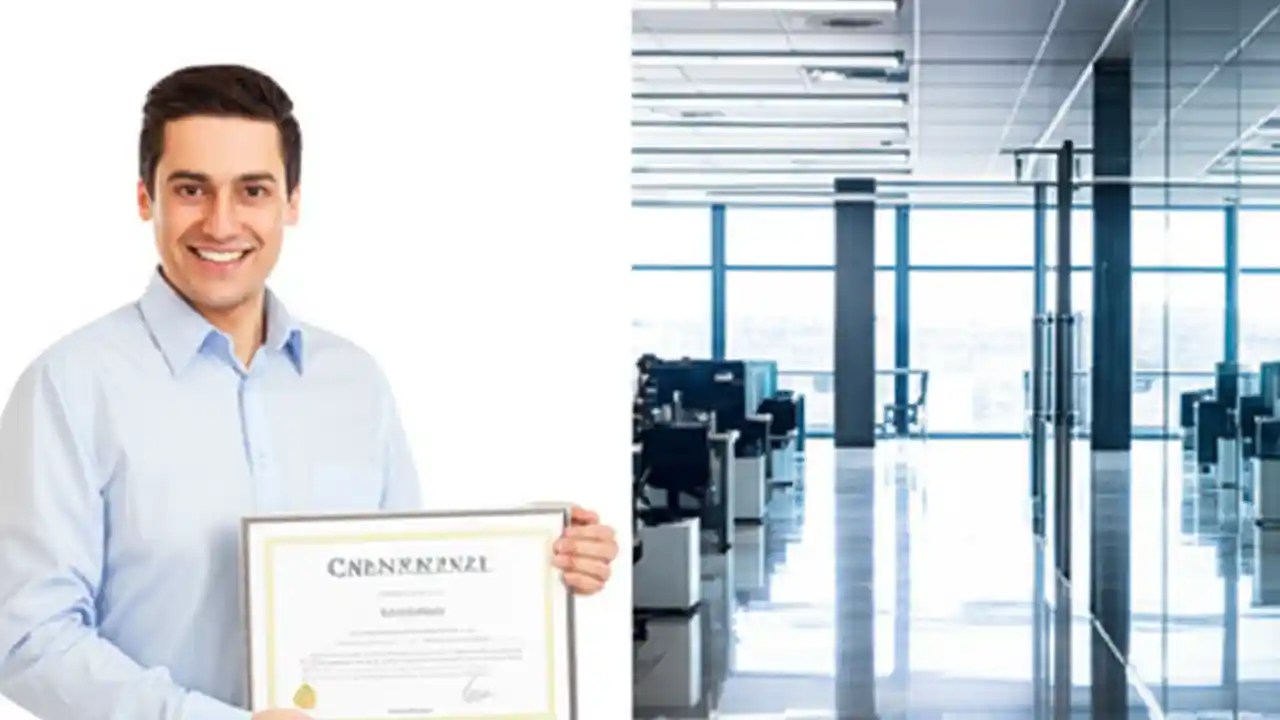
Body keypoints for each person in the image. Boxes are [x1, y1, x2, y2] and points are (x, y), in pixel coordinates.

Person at [0, 64, 619, 720]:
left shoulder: (353, 383)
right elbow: (28, 639)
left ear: (291, 201)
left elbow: (404, 600)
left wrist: (540, 562)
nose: (220, 222)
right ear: (144, 198)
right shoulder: (70, 386)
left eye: (253, 191)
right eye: (190, 189)